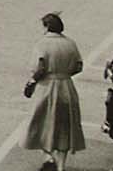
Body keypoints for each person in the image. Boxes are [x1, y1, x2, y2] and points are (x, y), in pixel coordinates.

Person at [21, 12, 85, 171]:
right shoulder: (70, 43)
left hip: (47, 88)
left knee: (42, 124)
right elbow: (78, 66)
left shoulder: (42, 44)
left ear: (47, 27)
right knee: (64, 128)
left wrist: (32, 82)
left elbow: (40, 68)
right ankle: (61, 166)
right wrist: (64, 74)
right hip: (67, 88)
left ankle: (49, 156)